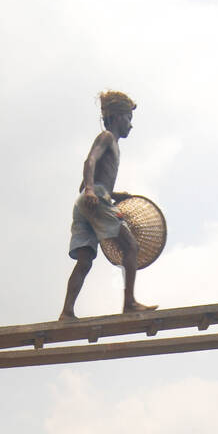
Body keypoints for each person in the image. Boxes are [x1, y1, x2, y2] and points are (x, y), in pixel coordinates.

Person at [60, 90, 157, 320]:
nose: (130, 125)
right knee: (131, 246)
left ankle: (66, 312)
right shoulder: (106, 138)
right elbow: (90, 161)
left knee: (84, 260)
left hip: (86, 202)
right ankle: (130, 302)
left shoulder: (112, 143)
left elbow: (84, 183)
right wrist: (95, 191)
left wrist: (112, 193)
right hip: (95, 198)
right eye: (128, 118)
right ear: (115, 117)